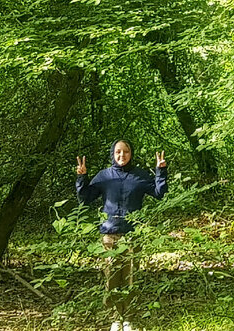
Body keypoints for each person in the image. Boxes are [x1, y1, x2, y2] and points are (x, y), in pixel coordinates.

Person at [77, 141, 168, 331]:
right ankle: (115, 318)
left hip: (133, 235)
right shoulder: (104, 176)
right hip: (109, 235)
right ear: (113, 154)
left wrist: (160, 172)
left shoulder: (140, 176)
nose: (122, 155)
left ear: (131, 154)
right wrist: (82, 178)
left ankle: (129, 318)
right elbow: (85, 198)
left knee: (131, 278)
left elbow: (160, 193)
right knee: (112, 278)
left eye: (126, 151)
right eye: (118, 152)